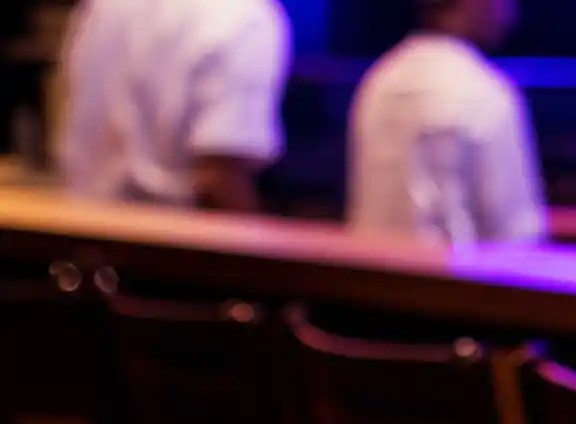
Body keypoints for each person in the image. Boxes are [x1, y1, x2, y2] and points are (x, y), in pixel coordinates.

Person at [57, 0, 291, 212]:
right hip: (172, 236)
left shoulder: (104, 6)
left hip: (80, 228)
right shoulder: (245, 19)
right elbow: (220, 177)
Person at [348, 0, 546, 245]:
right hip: (459, 269)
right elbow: (515, 233)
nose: (510, 11)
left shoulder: (379, 83)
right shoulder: (483, 92)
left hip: (371, 267)